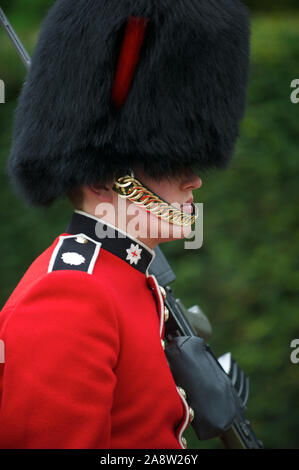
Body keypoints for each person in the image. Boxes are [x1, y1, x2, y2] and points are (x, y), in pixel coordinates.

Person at [0, 0, 250, 449]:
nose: (194, 178)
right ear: (101, 180)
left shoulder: (135, 282)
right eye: (171, 162)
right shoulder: (69, 298)